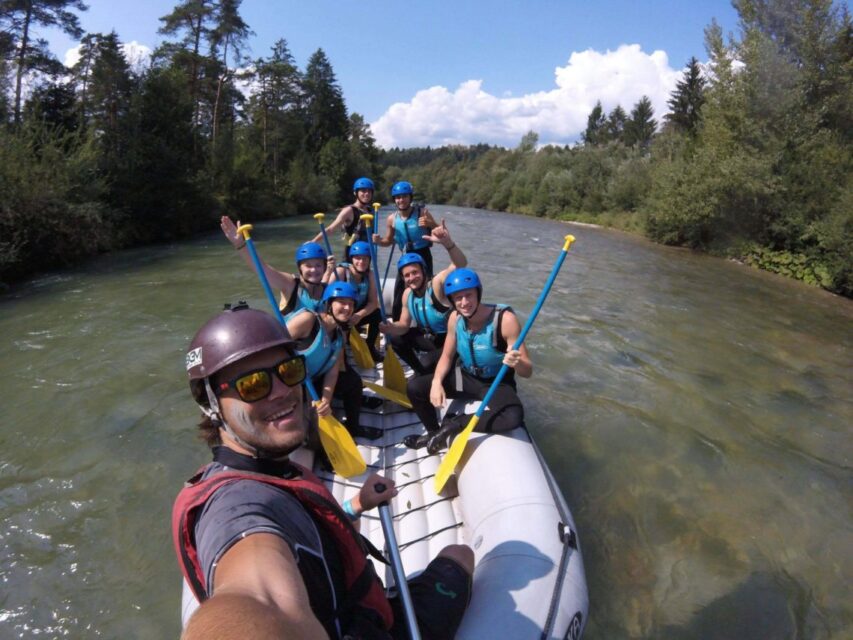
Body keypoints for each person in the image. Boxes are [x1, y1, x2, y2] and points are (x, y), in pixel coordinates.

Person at [174, 304, 474, 639]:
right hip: (372, 628)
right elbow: (260, 597)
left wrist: (355, 506)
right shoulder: (236, 509)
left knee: (456, 555)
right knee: (460, 555)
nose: (282, 390)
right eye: (254, 384)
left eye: (289, 370)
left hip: (362, 611)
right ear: (212, 404)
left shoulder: (272, 470)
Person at [404, 269, 532, 454]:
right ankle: (433, 433)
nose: (464, 303)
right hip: (466, 377)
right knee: (414, 387)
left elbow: (527, 371)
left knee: (513, 417)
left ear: (478, 293)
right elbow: (447, 356)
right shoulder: (455, 319)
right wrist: (436, 382)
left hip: (495, 382)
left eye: (468, 295)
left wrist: (516, 361)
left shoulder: (505, 320)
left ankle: (455, 424)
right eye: (458, 298)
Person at [287, 282, 381, 440]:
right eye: (342, 302)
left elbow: (333, 371)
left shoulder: (340, 335)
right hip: (296, 383)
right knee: (314, 429)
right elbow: (276, 345)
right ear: (328, 304)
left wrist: (326, 399)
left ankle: (353, 427)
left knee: (353, 382)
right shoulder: (308, 320)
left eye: (351, 304)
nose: (347, 308)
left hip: (316, 379)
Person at [378, 220, 466, 375]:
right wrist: (391, 328)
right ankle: (421, 373)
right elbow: (404, 325)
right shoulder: (407, 294)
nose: (412, 278)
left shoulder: (436, 285)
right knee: (396, 339)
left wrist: (448, 243)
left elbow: (460, 265)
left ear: (424, 272)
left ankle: (438, 371)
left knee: (427, 361)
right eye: (407, 275)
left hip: (451, 341)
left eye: (415, 272)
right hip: (430, 339)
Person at [222, 216, 335, 318]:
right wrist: (240, 245)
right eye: (308, 266)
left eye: (318, 265)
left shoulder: (325, 288)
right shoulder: (290, 284)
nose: (314, 270)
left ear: (324, 267)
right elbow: (263, 269)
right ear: (300, 268)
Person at [371, 181, 438, 320]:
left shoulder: (422, 212)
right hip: (406, 256)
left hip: (423, 254)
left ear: (410, 197)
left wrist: (430, 223)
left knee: (426, 289)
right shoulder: (392, 219)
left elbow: (439, 232)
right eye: (398, 197)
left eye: (404, 196)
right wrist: (378, 241)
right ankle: (397, 322)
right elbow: (388, 242)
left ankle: (428, 321)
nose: (401, 200)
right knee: (399, 290)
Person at [334, 240, 381, 363]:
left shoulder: (370, 275)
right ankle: (341, 352)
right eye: (358, 258)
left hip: (356, 314)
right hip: (340, 315)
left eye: (365, 259)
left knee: (377, 314)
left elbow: (373, 303)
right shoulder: (341, 272)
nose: (361, 262)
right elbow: (328, 300)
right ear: (351, 259)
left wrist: (359, 315)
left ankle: (370, 347)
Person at [313, 177, 376, 260]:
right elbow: (331, 229)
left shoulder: (370, 210)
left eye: (369, 191)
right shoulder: (349, 210)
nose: (367, 193)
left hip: (367, 257)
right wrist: (313, 241)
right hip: (351, 257)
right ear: (355, 193)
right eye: (363, 191)